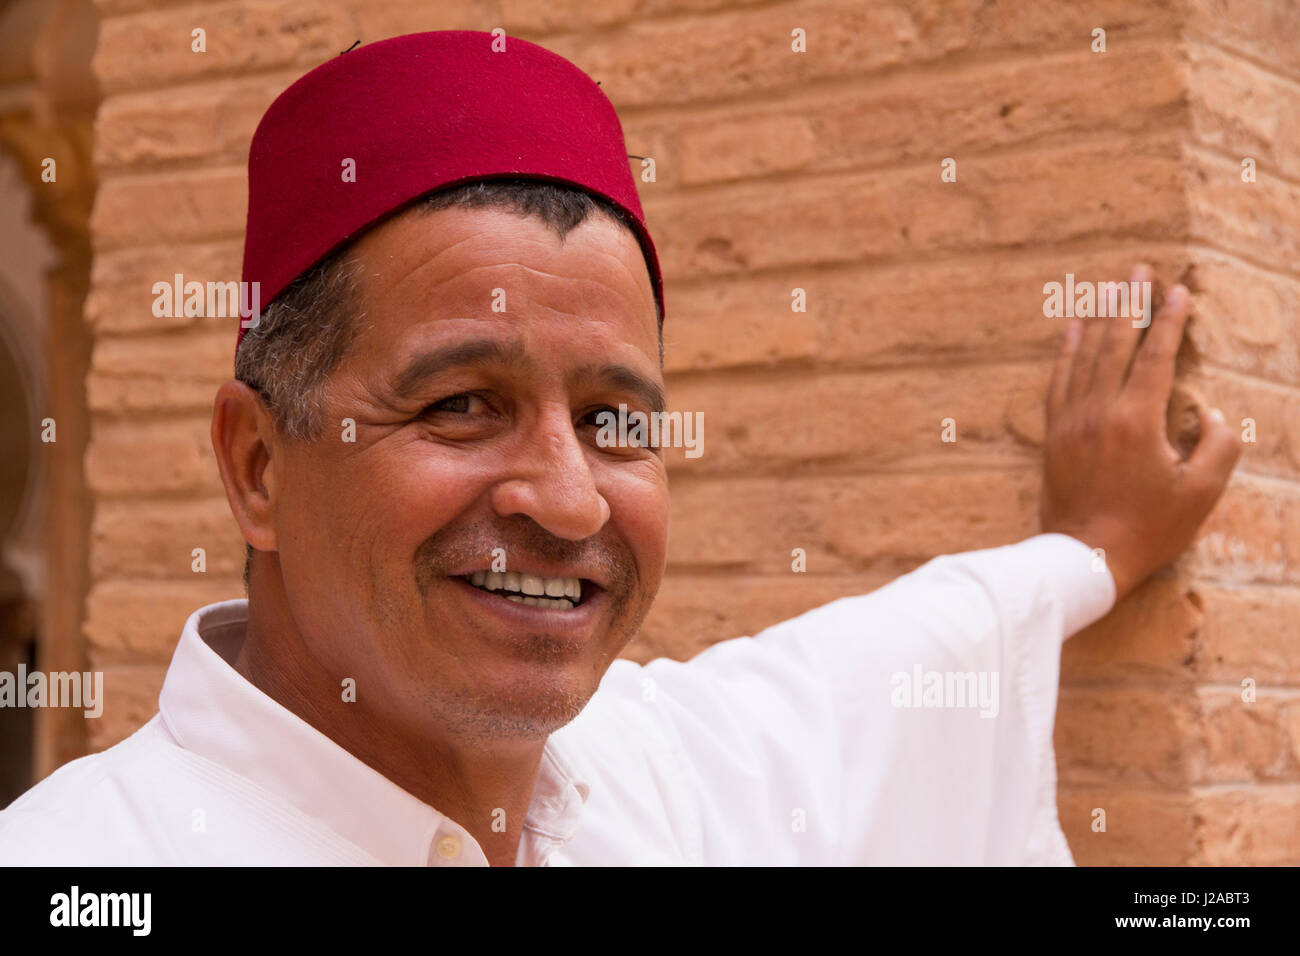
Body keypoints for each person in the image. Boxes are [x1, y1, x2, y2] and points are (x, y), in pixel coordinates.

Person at [0, 31, 1240, 865]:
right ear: (258, 466)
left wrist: (1095, 545)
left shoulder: (667, 777)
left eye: (616, 422)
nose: (571, 500)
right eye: (461, 405)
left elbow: (891, 661)